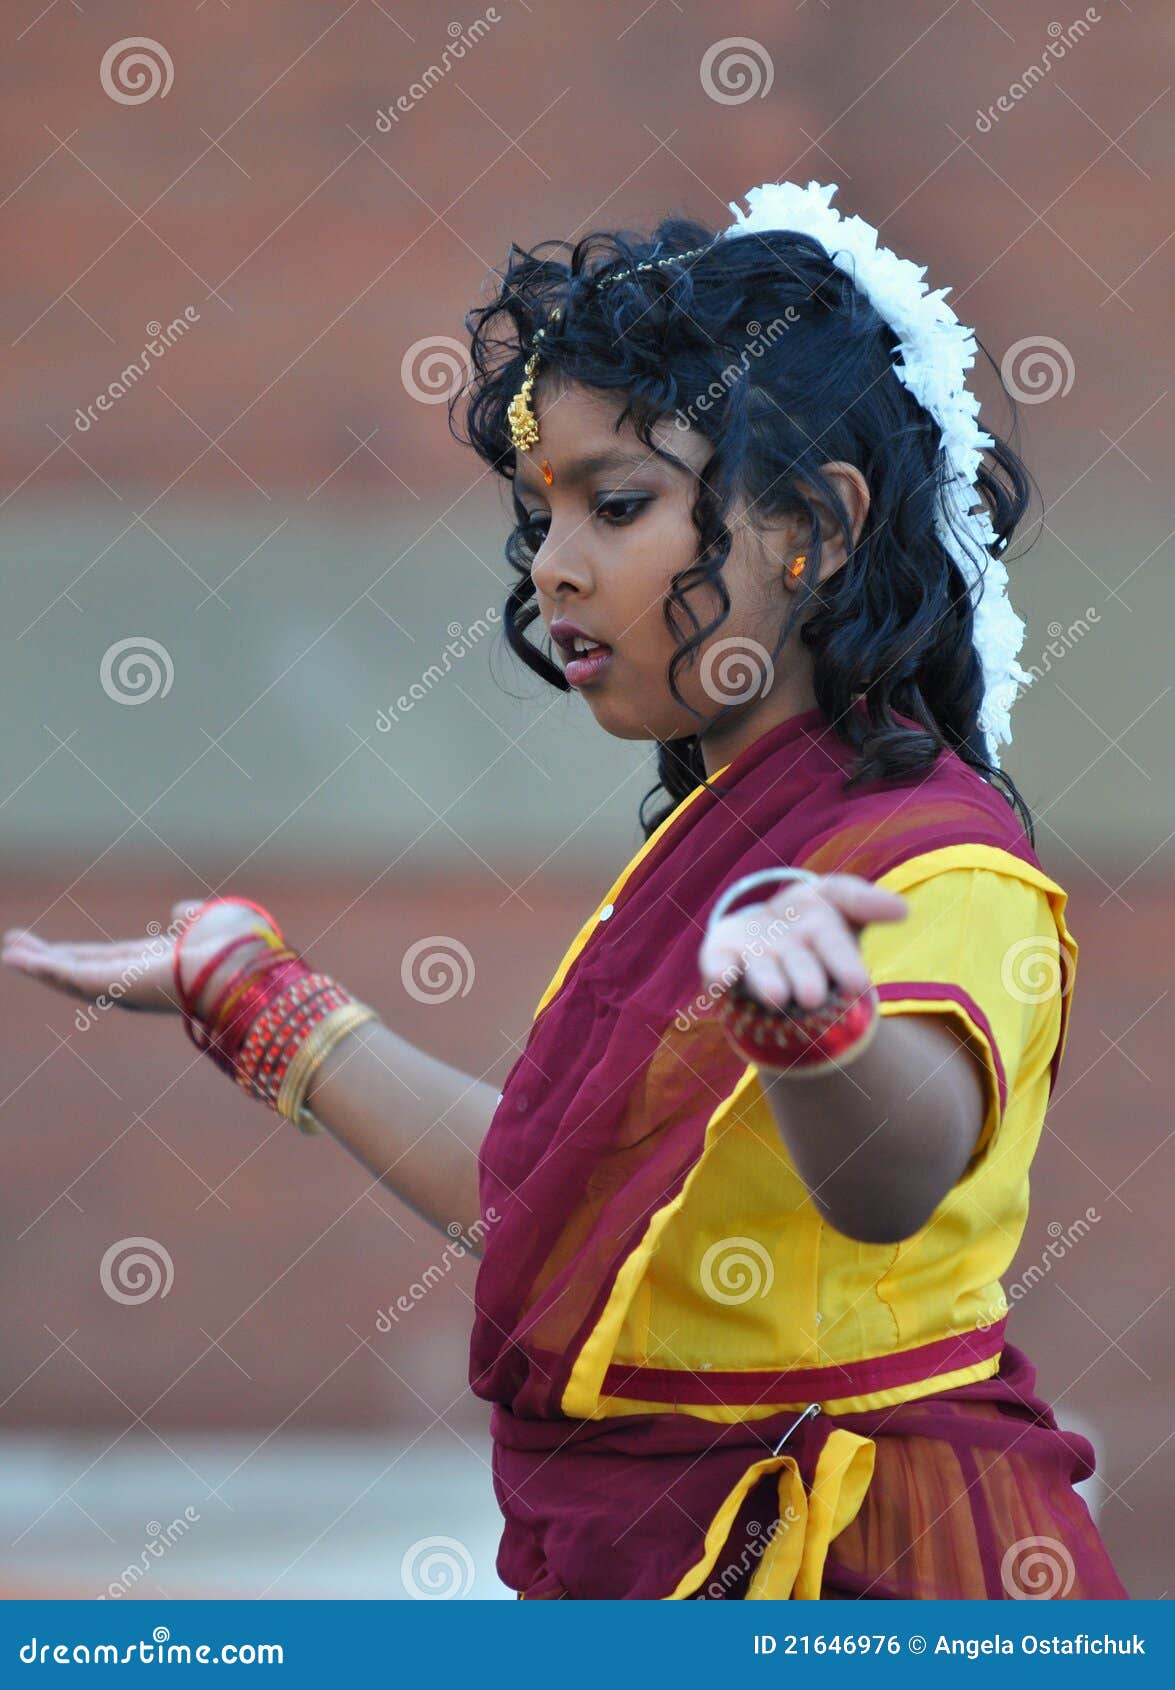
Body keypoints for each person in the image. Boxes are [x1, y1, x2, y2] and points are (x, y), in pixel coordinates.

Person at [2, 182, 1129, 1601]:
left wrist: (823, 1035)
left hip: (879, 1572)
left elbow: (893, 1182)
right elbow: (547, 1196)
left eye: (616, 503)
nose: (555, 564)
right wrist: (253, 994)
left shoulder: (929, 854)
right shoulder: (716, 845)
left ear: (818, 530)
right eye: (544, 514)